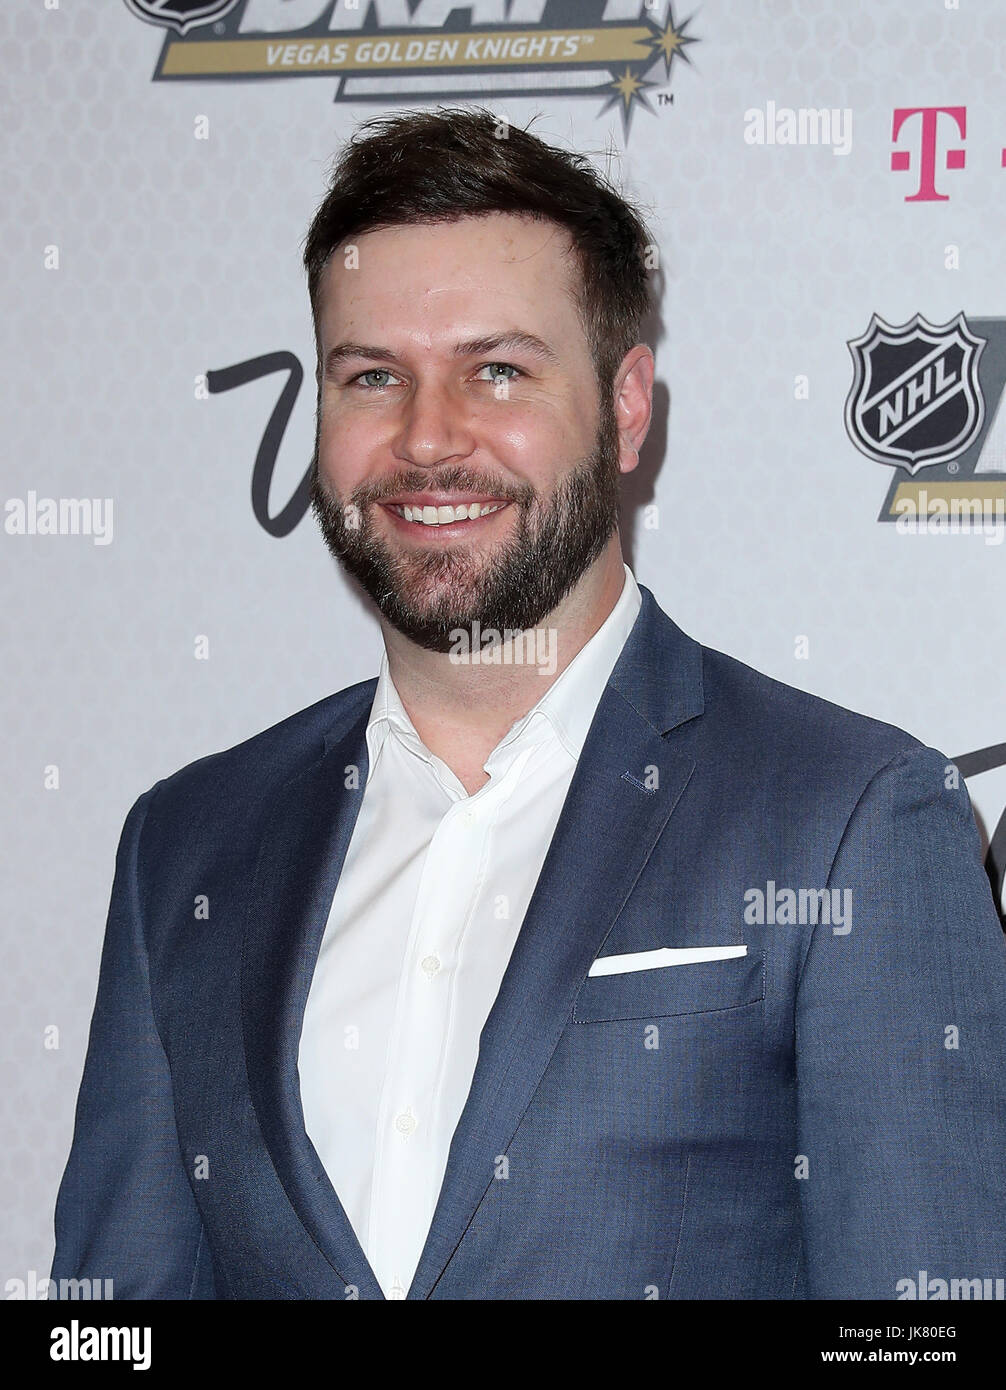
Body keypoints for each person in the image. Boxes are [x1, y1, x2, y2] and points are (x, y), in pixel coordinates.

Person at [51, 106, 1006, 1301]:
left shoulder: (852, 817)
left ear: (625, 406)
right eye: (371, 377)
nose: (427, 438)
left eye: (496, 370)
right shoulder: (186, 844)